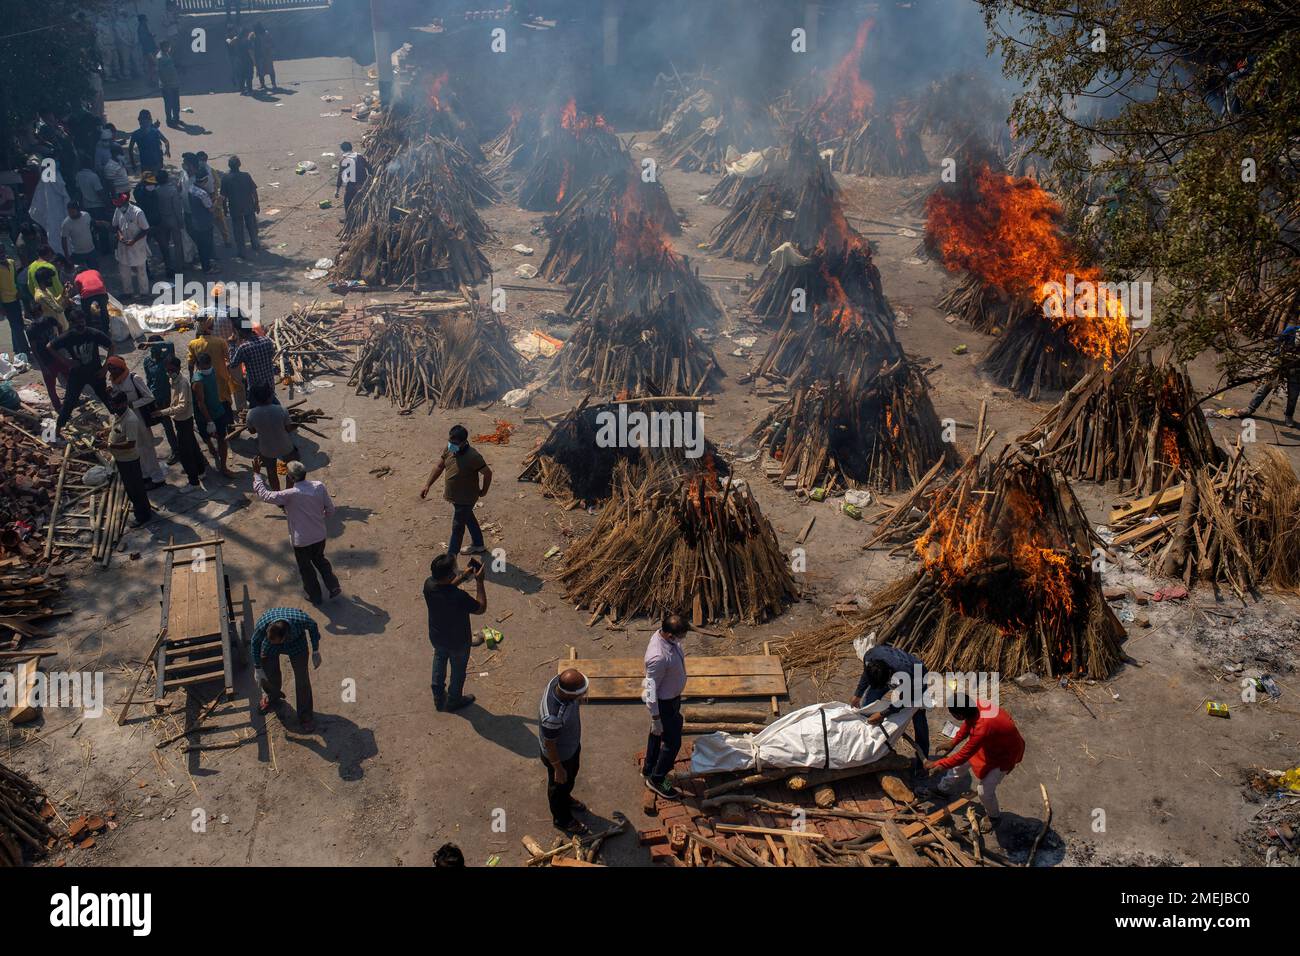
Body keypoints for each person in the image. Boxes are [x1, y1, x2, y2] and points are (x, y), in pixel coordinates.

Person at [923, 697, 1025, 831]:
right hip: (990, 743)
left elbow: (962, 755)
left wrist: (938, 763)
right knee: (959, 767)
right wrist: (953, 743)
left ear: (958, 715)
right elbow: (968, 723)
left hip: (1005, 754)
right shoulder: (976, 705)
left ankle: (994, 817)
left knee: (984, 791)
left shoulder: (982, 729)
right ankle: (943, 789)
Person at [253, 459, 341, 605]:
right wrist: (317, 518)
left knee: (306, 569)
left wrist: (256, 474)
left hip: (302, 541)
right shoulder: (319, 486)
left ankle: (315, 596)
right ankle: (333, 586)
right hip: (319, 535)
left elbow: (265, 495)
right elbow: (330, 510)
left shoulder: (289, 494)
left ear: (291, 478)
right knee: (320, 560)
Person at [422, 553, 485, 713]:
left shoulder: (429, 585)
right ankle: (454, 701)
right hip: (459, 641)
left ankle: (438, 694)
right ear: (449, 575)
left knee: (439, 658)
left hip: (437, 636)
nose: (457, 570)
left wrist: (463, 577)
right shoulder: (459, 597)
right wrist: (479, 582)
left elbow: (446, 587)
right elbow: (480, 608)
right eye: (455, 570)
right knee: (458, 672)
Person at [850, 644, 931, 764]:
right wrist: (858, 693)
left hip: (918, 679)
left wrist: (883, 713)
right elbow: (867, 674)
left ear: (889, 675)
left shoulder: (908, 673)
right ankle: (867, 744)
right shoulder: (870, 657)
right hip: (893, 674)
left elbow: (905, 700)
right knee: (867, 704)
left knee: (918, 717)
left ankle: (922, 760)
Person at [420, 425, 492, 556]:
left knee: (457, 527)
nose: (451, 445)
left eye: (454, 443)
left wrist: (484, 491)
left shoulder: (473, 456)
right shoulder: (449, 449)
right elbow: (439, 466)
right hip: (455, 497)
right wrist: (427, 485)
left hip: (466, 498)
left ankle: (450, 558)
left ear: (464, 442)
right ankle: (478, 544)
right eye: (450, 441)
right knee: (468, 517)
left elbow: (487, 473)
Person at [642, 612, 689, 800]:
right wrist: (655, 717)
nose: (682, 640)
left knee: (657, 734)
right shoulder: (658, 657)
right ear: (670, 635)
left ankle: (649, 767)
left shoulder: (666, 639)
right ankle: (657, 779)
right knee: (672, 742)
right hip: (665, 704)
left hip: (671, 700)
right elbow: (650, 690)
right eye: (681, 636)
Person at [250, 607, 320, 733]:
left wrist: (315, 650)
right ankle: (272, 696)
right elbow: (255, 643)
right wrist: (257, 667)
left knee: (302, 679)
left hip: (297, 646)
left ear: (285, 636)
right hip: (270, 648)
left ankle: (305, 716)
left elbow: (313, 626)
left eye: (276, 641)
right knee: (268, 672)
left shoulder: (301, 620)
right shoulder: (263, 625)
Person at [538, 668, 590, 835]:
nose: (583, 696)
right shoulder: (553, 717)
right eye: (580, 694)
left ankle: (566, 798)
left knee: (569, 780)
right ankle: (562, 819)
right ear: (569, 695)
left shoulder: (557, 682)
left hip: (570, 746)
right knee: (558, 787)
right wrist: (558, 769)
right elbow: (550, 744)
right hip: (559, 757)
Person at [106, 355, 166, 486]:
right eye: (110, 369)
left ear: (120, 367)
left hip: (139, 417)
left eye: (114, 369)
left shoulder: (134, 379)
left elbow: (149, 397)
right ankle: (145, 475)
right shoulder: (114, 381)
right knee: (136, 448)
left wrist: (133, 404)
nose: (112, 372)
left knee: (147, 447)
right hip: (126, 418)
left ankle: (157, 477)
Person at [50, 311, 112, 435]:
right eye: (78, 324)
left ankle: (122, 422)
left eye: (82, 323)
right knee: (69, 402)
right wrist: (66, 361)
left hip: (95, 372)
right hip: (77, 375)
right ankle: (58, 429)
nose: (81, 326)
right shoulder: (68, 337)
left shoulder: (93, 333)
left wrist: (105, 368)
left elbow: (112, 346)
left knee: (106, 397)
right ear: (72, 324)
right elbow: (49, 346)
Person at [155, 354, 207, 488]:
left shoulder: (182, 383)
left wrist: (163, 412)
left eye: (171, 370)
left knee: (185, 453)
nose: (169, 372)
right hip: (181, 421)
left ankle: (193, 481)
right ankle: (201, 471)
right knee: (194, 447)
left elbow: (182, 406)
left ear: (178, 368)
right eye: (167, 370)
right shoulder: (173, 380)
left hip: (184, 420)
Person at [104, 392, 153, 526]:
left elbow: (130, 443)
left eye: (116, 405)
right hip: (122, 459)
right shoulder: (120, 414)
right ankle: (142, 508)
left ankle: (142, 515)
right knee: (131, 487)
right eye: (112, 405)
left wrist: (109, 445)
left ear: (124, 403)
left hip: (129, 460)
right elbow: (118, 430)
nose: (113, 407)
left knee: (135, 488)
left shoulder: (130, 420)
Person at [1239, 324, 1300, 427]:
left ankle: (1289, 416)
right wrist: (1277, 353)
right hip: (1281, 363)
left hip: (1297, 368)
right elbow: (1278, 340)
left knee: (1293, 394)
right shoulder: (1291, 330)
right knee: (1266, 386)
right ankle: (1250, 408)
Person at [245, 383, 297, 489]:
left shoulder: (251, 414)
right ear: (270, 396)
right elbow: (288, 428)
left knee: (271, 472)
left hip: (266, 448)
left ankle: (278, 496)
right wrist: (295, 425)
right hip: (285, 446)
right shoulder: (281, 410)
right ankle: (289, 492)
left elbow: (252, 431)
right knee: (292, 467)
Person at [191, 350, 233, 475]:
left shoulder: (213, 371)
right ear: (198, 366)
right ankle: (210, 445)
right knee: (206, 436)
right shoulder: (197, 381)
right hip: (204, 415)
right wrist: (209, 421)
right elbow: (201, 403)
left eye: (208, 366)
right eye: (204, 367)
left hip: (218, 410)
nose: (207, 369)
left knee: (222, 439)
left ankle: (223, 467)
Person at [143, 336, 179, 462]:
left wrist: (150, 343)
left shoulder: (166, 358)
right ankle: (176, 450)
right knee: (167, 426)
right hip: (156, 398)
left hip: (170, 396)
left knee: (178, 423)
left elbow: (170, 344)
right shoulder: (147, 361)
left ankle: (182, 448)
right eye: (152, 347)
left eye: (156, 346)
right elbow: (149, 380)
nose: (154, 349)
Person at [111, 192, 151, 299]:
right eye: (117, 205)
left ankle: (144, 293)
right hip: (123, 246)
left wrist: (134, 240)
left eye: (120, 205)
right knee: (124, 271)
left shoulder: (138, 212)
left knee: (141, 271)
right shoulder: (118, 210)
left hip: (137, 246)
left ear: (126, 202)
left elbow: (145, 229)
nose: (119, 207)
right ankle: (127, 292)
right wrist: (119, 236)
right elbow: (115, 226)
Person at [228, 316, 276, 399]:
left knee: (257, 410)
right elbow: (272, 354)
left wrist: (232, 344)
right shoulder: (267, 340)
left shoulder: (244, 348)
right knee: (272, 402)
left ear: (240, 332)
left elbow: (232, 364)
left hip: (256, 389)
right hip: (270, 383)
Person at [221, 156, 259, 258]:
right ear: (239, 165)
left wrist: (224, 209)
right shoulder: (246, 176)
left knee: (238, 231)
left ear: (229, 166)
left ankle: (241, 251)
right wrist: (257, 204)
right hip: (248, 206)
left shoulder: (225, 178)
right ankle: (255, 244)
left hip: (235, 208)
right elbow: (253, 191)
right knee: (251, 226)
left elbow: (223, 197)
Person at [184, 173, 215, 273]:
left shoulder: (191, 189)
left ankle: (204, 264)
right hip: (205, 223)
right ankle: (207, 268)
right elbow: (211, 209)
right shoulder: (202, 194)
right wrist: (218, 201)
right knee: (206, 245)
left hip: (195, 221)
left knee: (201, 246)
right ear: (205, 181)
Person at [70, 266, 111, 339]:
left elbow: (80, 292)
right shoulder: (95, 271)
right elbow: (101, 282)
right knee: (104, 311)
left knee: (86, 313)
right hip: (101, 291)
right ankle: (106, 330)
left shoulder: (77, 277)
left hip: (86, 294)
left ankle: (90, 330)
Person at [0, 250, 26, 356]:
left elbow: (16, 279)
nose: (1, 256)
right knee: (17, 326)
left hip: (15, 297)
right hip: (5, 301)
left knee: (17, 324)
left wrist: (19, 290)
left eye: (2, 253)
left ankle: (18, 348)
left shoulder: (11, 262)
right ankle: (24, 350)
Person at [60, 201, 98, 271]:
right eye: (69, 212)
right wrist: (67, 256)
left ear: (78, 210)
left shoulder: (86, 215)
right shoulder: (66, 223)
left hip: (91, 250)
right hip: (77, 253)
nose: (71, 214)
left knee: (95, 271)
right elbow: (64, 240)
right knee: (79, 273)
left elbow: (92, 224)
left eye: (73, 212)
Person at [128, 111, 168, 175]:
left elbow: (130, 150)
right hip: (155, 162)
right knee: (155, 180)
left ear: (139, 121)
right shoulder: (155, 132)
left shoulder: (136, 134)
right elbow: (166, 141)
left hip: (147, 163)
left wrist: (133, 164)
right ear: (150, 121)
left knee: (149, 181)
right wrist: (167, 150)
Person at [335, 142, 369, 211]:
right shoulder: (359, 156)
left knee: (347, 200)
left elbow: (340, 176)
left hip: (352, 185)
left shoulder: (343, 160)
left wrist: (337, 190)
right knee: (363, 199)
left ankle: (348, 217)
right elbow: (369, 167)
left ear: (343, 150)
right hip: (363, 183)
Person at [156, 41, 182, 128]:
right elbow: (160, 73)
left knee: (176, 103)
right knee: (169, 104)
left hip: (174, 83)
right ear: (163, 47)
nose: (169, 48)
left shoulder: (167, 54)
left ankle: (176, 118)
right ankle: (169, 120)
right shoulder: (160, 58)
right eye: (167, 46)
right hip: (167, 85)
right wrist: (165, 84)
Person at [252, 23, 276, 90]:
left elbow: (271, 43)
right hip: (259, 55)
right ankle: (262, 84)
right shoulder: (253, 35)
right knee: (260, 71)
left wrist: (267, 46)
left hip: (266, 55)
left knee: (270, 70)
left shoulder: (266, 34)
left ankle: (273, 84)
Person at [138, 15, 159, 84]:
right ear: (143, 20)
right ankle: (151, 79)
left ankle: (152, 79)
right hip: (148, 49)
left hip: (149, 48)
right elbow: (144, 40)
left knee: (151, 65)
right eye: (145, 19)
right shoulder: (141, 28)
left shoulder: (144, 27)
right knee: (153, 64)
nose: (146, 21)